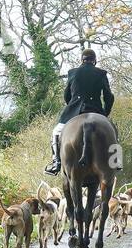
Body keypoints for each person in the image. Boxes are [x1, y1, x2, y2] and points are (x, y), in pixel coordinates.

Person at [44, 47, 114, 175]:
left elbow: (67, 96)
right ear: (95, 61)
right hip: (96, 111)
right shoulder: (101, 73)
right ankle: (116, 161)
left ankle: (56, 162)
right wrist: (105, 113)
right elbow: (109, 97)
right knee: (113, 130)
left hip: (74, 111)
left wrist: (73, 107)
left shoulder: (73, 73)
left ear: (82, 60)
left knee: (56, 132)